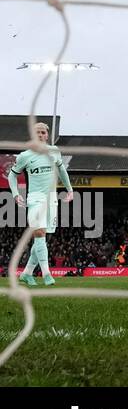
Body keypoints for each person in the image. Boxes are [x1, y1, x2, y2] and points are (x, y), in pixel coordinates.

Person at [7, 121, 73, 287]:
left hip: (51, 199)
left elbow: (62, 171)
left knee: (42, 239)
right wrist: (15, 194)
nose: (41, 135)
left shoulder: (54, 151)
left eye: (43, 132)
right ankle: (46, 274)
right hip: (35, 198)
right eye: (38, 132)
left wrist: (70, 189)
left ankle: (27, 274)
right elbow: (11, 176)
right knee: (40, 233)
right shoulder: (24, 156)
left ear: (47, 135)